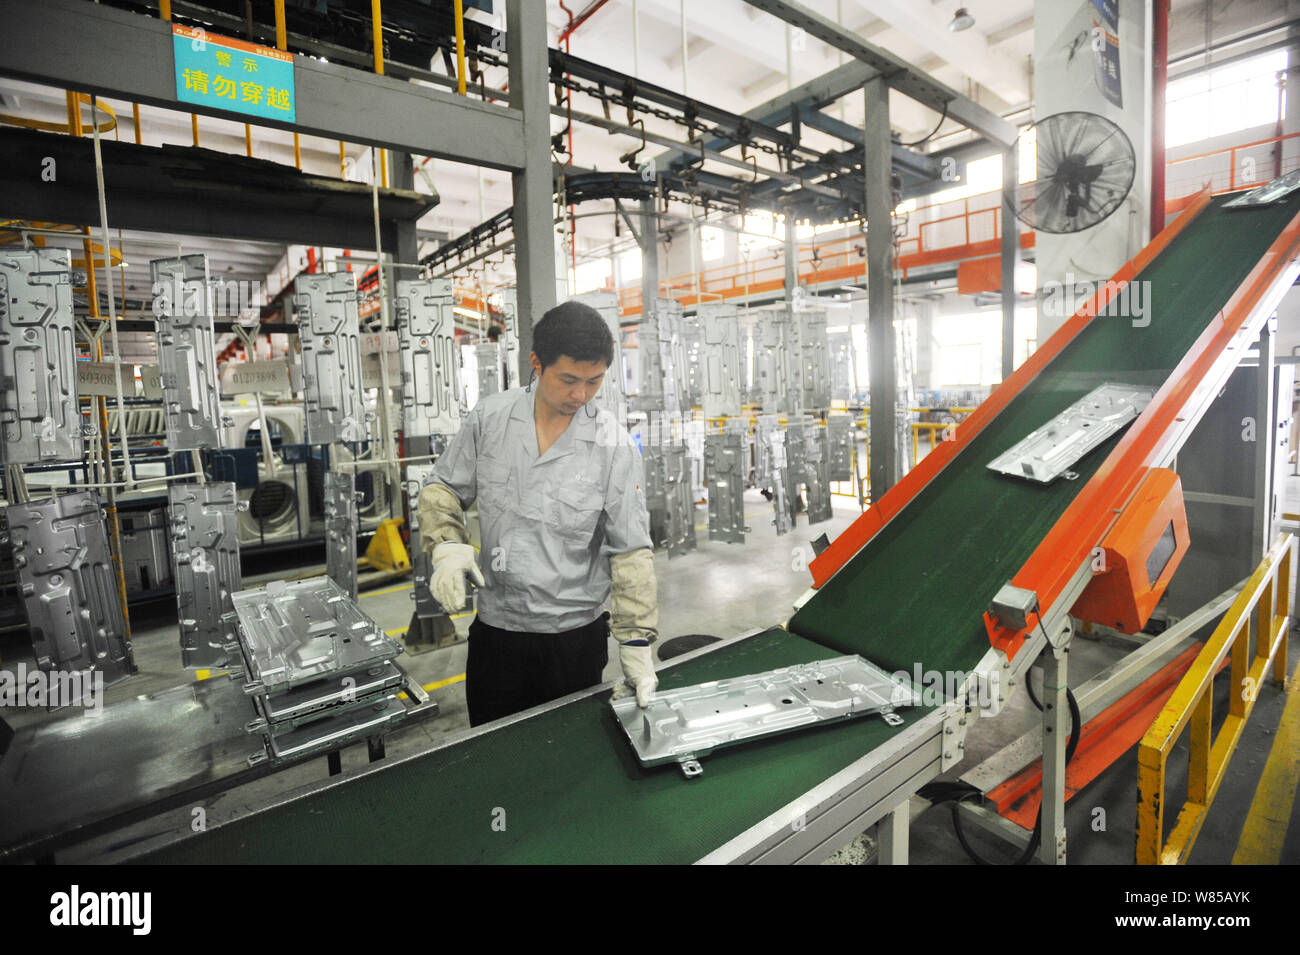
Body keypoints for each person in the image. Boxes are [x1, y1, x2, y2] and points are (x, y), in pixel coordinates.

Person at [417, 300, 658, 726]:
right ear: (536, 363)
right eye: (568, 380)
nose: (580, 395)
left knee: (568, 762)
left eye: (594, 381)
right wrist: (447, 545)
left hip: (574, 640)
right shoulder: (490, 420)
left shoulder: (613, 445)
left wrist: (636, 641)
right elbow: (442, 488)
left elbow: (630, 548)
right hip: (498, 634)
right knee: (495, 757)